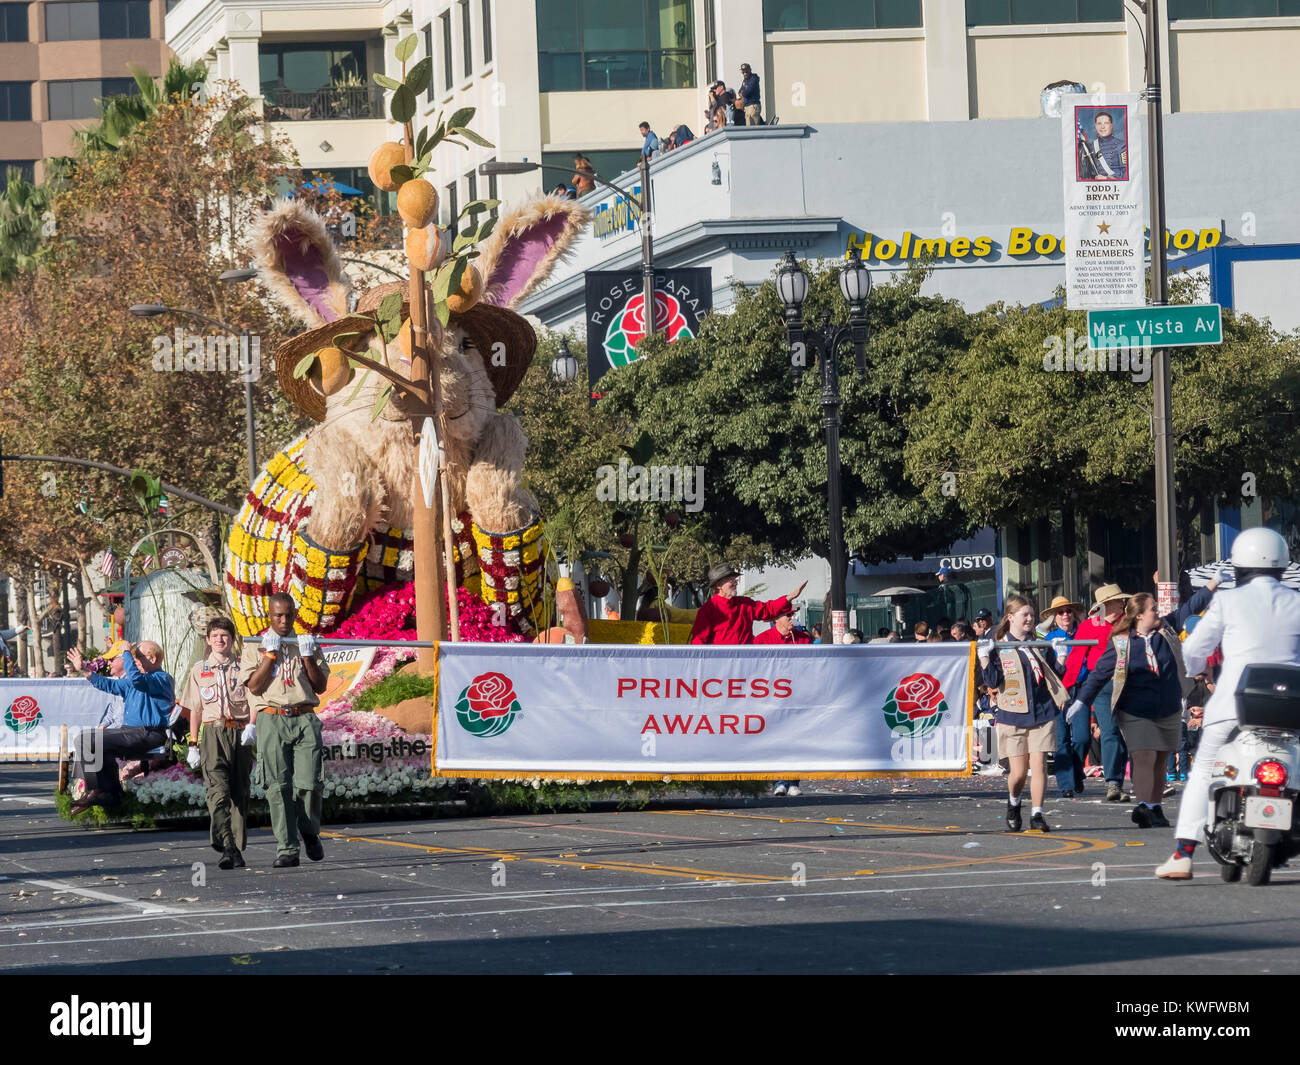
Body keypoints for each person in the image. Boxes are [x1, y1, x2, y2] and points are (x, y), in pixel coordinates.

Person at [1157, 529, 1300, 880]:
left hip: (1233, 705)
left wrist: (1196, 672)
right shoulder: (1297, 601)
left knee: (1204, 770)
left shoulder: (1228, 600)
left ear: (1238, 565)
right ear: (1282, 564)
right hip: (1291, 705)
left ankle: (1183, 854)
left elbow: (1193, 650)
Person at [1069, 594, 1183, 827]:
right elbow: (1099, 671)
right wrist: (1081, 701)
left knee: (1160, 758)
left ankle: (1154, 806)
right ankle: (1140, 804)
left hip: (1166, 706)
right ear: (1140, 615)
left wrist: (1212, 585)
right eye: (1153, 608)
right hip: (1134, 707)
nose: (1158, 611)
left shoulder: (1164, 632)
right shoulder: (1121, 640)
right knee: (1143, 755)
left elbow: (1192, 606)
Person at [239, 593, 331, 869]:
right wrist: (269, 654)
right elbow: (254, 686)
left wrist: (307, 657)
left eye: (289, 615)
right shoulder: (256, 644)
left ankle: (309, 829)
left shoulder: (305, 642)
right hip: (272, 717)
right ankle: (287, 847)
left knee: (310, 783)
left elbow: (320, 686)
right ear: (270, 615)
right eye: (278, 615)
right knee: (277, 786)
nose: (284, 620)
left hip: (303, 715)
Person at [978, 595, 1070, 832]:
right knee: (1018, 773)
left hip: (1042, 711)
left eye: (1031, 614)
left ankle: (1037, 814)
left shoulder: (1039, 643)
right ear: (1011, 618)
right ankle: (1014, 801)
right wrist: (985, 658)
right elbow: (993, 682)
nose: (1030, 619)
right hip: (1013, 713)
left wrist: (1060, 656)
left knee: (1039, 766)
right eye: (1024, 615)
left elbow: (1053, 676)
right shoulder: (999, 645)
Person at [67, 640, 174, 813]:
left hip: (149, 733)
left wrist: (125, 652)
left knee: (87, 739)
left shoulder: (161, 679)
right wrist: (84, 670)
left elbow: (137, 681)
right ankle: (111, 794)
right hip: (131, 731)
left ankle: (97, 791)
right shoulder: (137, 679)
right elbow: (109, 685)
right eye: (133, 656)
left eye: (137, 656)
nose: (134, 659)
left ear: (153, 659)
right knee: (89, 741)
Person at [180, 616, 253, 870]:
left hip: (240, 733)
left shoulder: (244, 667)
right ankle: (227, 846)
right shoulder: (199, 670)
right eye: (215, 637)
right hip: (213, 733)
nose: (219, 640)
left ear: (232, 640)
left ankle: (236, 846)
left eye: (224, 636)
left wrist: (253, 727)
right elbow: (195, 710)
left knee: (240, 792)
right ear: (208, 641)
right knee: (217, 793)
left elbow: (254, 702)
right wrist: (192, 743)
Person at [1063, 584, 1132, 802]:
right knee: (1109, 731)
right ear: (1104, 605)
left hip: (1129, 683)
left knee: (1127, 735)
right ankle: (1113, 782)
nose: (1121, 603)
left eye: (1122, 600)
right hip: (1101, 685)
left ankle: (1122, 779)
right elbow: (1075, 659)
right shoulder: (1088, 626)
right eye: (1117, 600)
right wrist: (1064, 688)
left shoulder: (1129, 623)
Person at [690, 563, 807, 645]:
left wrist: (789, 597)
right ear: (718, 586)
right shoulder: (707, 610)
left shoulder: (744, 603)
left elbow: (767, 610)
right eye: (730, 580)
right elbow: (698, 642)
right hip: (721, 667)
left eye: (734, 579)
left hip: (745, 664)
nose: (735, 582)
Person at [1042, 595, 1085, 797]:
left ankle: (1076, 773)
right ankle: (1066, 785)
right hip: (1058, 691)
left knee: (1082, 738)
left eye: (1068, 611)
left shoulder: (1084, 633)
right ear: (1054, 617)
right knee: (1062, 740)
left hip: (1081, 689)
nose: (1065, 614)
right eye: (1060, 612)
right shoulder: (1049, 640)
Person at [1090, 110, 1127, 180]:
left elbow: (1126, 173)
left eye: (1106, 123)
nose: (1102, 127)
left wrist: (1106, 178)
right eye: (1099, 123)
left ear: (1111, 125)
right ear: (1095, 126)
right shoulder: (1091, 146)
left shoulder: (1122, 145)